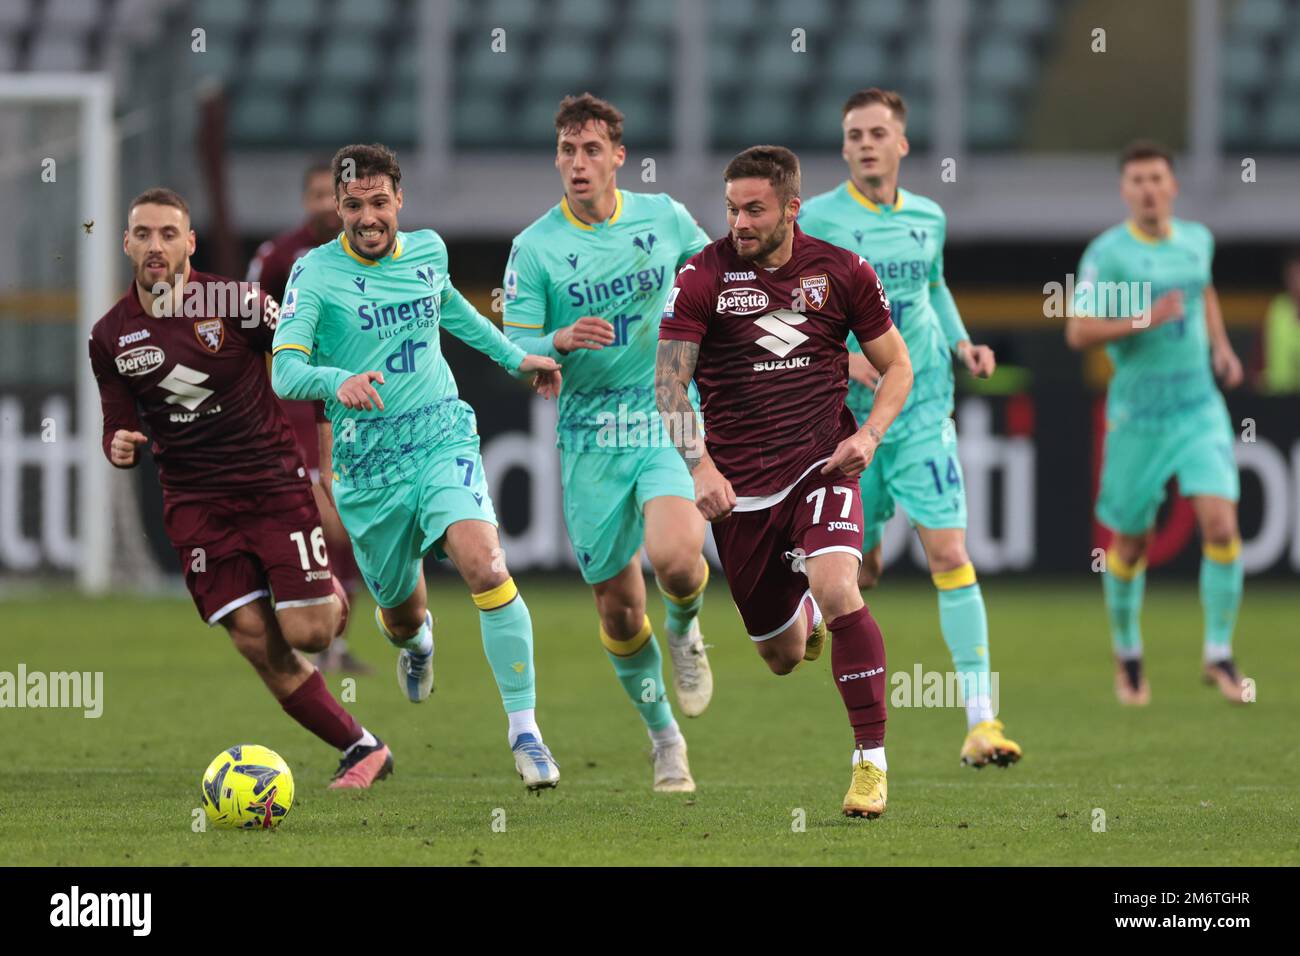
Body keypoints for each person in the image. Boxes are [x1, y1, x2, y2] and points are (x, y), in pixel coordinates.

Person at [271, 144, 567, 789]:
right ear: (339, 208)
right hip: (368, 467)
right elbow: (284, 368)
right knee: (401, 614)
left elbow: (456, 314)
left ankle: (526, 733)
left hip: (439, 436)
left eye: (379, 203)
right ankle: (417, 643)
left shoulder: (428, 251)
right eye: (353, 205)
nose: (367, 217)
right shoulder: (314, 273)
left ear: (399, 201)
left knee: (487, 564)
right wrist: (338, 378)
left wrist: (519, 359)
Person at [89, 187, 391, 789]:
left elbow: (311, 356)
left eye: (168, 234)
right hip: (196, 505)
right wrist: (119, 444)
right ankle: (362, 747)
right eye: (143, 234)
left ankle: (328, 590)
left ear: (190, 243)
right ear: (125, 243)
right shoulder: (108, 336)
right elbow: (116, 421)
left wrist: (328, 449)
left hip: (271, 485)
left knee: (309, 632)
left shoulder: (237, 302)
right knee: (256, 640)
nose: (155, 246)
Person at [656, 146, 913, 817]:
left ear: (791, 209)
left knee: (837, 585)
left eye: (754, 209)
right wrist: (701, 467)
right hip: (740, 493)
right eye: (732, 208)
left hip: (822, 462)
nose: (739, 221)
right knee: (779, 655)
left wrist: (867, 437)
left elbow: (898, 368)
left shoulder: (843, 271)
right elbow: (669, 387)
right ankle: (796, 612)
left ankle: (870, 764)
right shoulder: (700, 277)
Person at [799, 88, 1021, 768]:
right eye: (854, 134)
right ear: (843, 147)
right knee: (857, 573)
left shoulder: (929, 216)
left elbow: (934, 287)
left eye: (878, 133)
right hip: (847, 420)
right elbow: (795, 310)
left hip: (922, 408)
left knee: (950, 553)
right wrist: (840, 356)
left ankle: (982, 723)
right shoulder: (816, 220)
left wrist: (961, 343)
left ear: (901, 144)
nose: (866, 143)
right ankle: (804, 611)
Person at [503, 94, 714, 793]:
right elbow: (513, 346)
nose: (578, 163)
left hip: (663, 408)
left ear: (619, 156)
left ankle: (685, 629)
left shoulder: (665, 217)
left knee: (678, 560)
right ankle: (665, 741)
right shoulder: (534, 248)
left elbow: (716, 283)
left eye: (591, 150)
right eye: (567, 151)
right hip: (590, 434)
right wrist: (552, 344)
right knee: (619, 609)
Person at [1066, 140, 1248, 705]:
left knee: (1220, 524)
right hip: (1138, 418)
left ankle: (1218, 653)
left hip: (1198, 408)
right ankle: (1128, 656)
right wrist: (1145, 318)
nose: (1148, 189)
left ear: (1172, 186)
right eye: (1137, 180)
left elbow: (1204, 290)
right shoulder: (1110, 254)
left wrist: (1221, 346)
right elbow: (1079, 332)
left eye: (1156, 179)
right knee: (1131, 543)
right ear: (1126, 190)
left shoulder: (1197, 241)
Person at [247, 161, 368, 674]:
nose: (325, 203)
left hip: (354, 407)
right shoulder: (277, 258)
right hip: (295, 410)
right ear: (306, 199)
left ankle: (330, 644)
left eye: (331, 194)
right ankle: (300, 632)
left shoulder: (367, 253)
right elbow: (246, 324)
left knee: (352, 529)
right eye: (316, 193)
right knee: (320, 520)